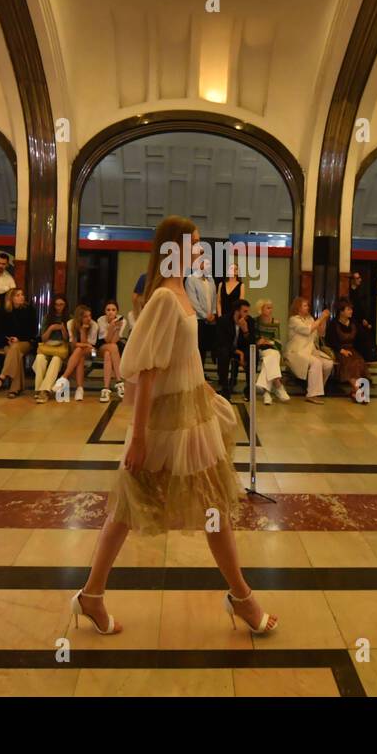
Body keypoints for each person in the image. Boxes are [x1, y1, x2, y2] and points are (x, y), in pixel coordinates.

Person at [73, 215, 276, 638]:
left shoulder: (183, 292)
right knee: (131, 509)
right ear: (173, 249)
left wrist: (203, 389)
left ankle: (241, 597)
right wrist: (140, 436)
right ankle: (94, 595)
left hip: (190, 415)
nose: (201, 249)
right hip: (167, 424)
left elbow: (181, 358)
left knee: (209, 506)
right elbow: (146, 371)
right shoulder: (165, 298)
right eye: (195, 242)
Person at [0, 287, 36, 397]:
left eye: (22, 294)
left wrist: (19, 338)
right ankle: (15, 389)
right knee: (14, 352)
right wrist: (8, 339)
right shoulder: (4, 312)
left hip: (25, 342)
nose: (21, 297)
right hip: (8, 343)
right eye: (17, 295)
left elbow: (33, 331)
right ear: (11, 298)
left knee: (15, 348)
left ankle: (2, 377)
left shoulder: (29, 310)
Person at [285, 296, 334, 404]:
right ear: (298, 308)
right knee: (316, 363)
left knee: (328, 364)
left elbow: (321, 333)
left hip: (310, 351)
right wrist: (321, 318)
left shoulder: (310, 319)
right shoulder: (294, 319)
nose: (307, 307)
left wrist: (324, 320)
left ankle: (316, 388)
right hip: (296, 351)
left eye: (307, 305)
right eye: (305, 305)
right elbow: (308, 330)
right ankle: (312, 394)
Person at [326, 298, 370, 404]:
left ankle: (356, 392)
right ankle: (359, 392)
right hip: (339, 350)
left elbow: (363, 337)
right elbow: (330, 341)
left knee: (358, 362)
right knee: (350, 363)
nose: (351, 311)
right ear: (341, 311)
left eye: (351, 309)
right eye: (348, 309)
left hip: (352, 350)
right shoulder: (333, 324)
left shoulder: (354, 323)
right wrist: (341, 350)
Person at [31, 294, 70, 402]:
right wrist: (51, 328)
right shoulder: (47, 317)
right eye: (57, 305)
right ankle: (39, 389)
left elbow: (68, 339)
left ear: (65, 305)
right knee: (39, 358)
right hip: (47, 345)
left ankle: (45, 390)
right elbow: (43, 338)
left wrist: (63, 329)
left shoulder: (69, 318)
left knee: (56, 360)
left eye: (61, 305)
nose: (59, 307)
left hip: (61, 346)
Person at [252, 299, 289, 405]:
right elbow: (254, 338)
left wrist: (268, 341)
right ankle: (278, 385)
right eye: (268, 308)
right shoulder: (255, 321)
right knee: (272, 357)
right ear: (261, 309)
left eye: (271, 307)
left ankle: (266, 392)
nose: (270, 310)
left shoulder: (275, 322)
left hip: (272, 350)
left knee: (272, 356)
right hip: (259, 350)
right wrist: (259, 341)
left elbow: (277, 341)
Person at [215, 298, 254, 399]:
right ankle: (225, 388)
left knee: (252, 354)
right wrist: (239, 353)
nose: (247, 314)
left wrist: (245, 330)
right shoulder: (224, 321)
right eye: (245, 311)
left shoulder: (249, 321)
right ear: (237, 311)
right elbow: (222, 342)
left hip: (242, 348)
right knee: (223, 353)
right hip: (228, 348)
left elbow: (252, 343)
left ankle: (249, 390)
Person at [184, 250, 217, 368]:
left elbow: (214, 298)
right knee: (198, 347)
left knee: (205, 348)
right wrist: (204, 315)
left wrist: (213, 313)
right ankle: (198, 373)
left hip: (210, 319)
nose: (208, 267)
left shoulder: (210, 280)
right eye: (206, 264)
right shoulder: (191, 279)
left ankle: (203, 373)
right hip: (198, 319)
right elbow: (193, 301)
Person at [60, 305, 99, 402]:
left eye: (90, 315)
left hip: (93, 352)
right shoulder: (70, 323)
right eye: (85, 316)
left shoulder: (94, 325)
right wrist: (81, 338)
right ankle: (79, 389)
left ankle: (64, 378)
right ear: (79, 317)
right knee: (79, 355)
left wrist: (83, 331)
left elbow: (89, 345)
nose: (89, 318)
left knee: (79, 351)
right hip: (77, 352)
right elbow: (72, 344)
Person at [96, 299, 127, 401]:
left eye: (113, 310)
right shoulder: (101, 320)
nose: (110, 312)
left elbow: (114, 341)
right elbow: (107, 340)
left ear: (117, 311)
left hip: (114, 345)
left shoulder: (122, 320)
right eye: (108, 310)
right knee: (112, 348)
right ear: (105, 311)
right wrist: (111, 328)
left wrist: (117, 328)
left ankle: (105, 389)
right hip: (102, 344)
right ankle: (119, 381)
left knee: (108, 354)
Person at [347, 270, 377, 363]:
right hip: (355, 321)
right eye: (357, 278)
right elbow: (356, 309)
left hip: (360, 320)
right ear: (352, 280)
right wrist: (362, 320)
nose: (360, 280)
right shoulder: (350, 293)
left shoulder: (358, 292)